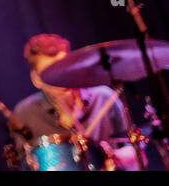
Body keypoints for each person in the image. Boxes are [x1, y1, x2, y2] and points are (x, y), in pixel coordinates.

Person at [11, 33, 137, 169]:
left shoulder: (104, 97)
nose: (61, 78)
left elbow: (137, 154)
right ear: (36, 79)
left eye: (65, 68)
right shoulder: (25, 113)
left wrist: (116, 156)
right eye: (50, 73)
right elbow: (23, 164)